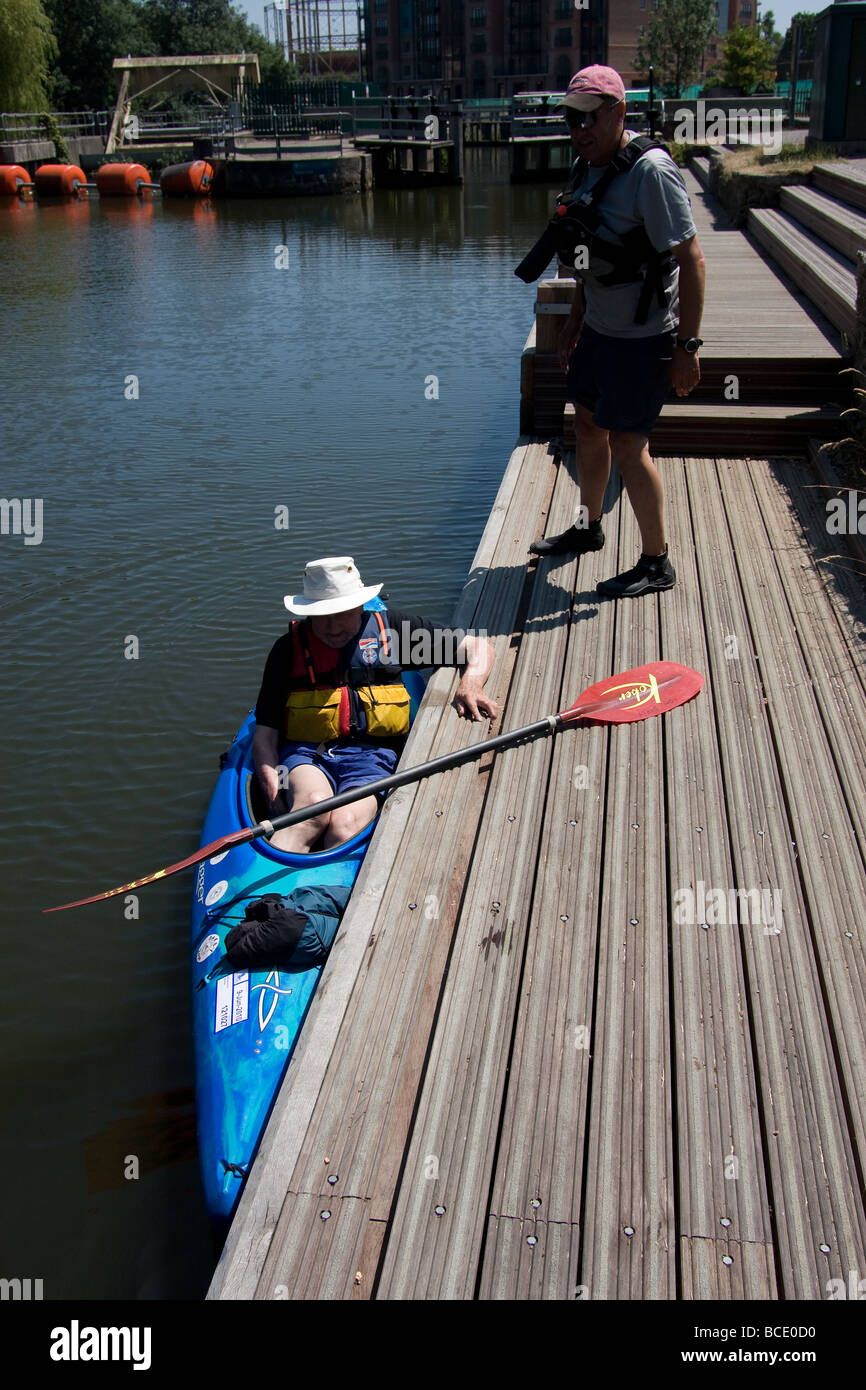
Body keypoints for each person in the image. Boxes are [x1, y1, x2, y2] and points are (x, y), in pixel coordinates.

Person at [528, 65, 706, 597]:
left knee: (630, 444)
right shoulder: (584, 167)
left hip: (644, 337)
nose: (580, 129)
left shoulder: (651, 172)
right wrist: (575, 319)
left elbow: (692, 259)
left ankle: (656, 562)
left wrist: (687, 347)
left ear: (619, 112)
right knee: (586, 426)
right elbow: (587, 257)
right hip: (598, 331)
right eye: (571, 118)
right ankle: (589, 527)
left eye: (591, 117)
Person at [253, 556, 498, 853]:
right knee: (311, 810)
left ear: (360, 605)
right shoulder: (286, 650)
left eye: (342, 613)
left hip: (373, 756)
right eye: (322, 616)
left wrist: (471, 684)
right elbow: (265, 733)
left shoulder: (392, 632)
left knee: (344, 823)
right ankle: (270, 878)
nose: (332, 627)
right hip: (308, 754)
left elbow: (478, 646)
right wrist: (272, 784)